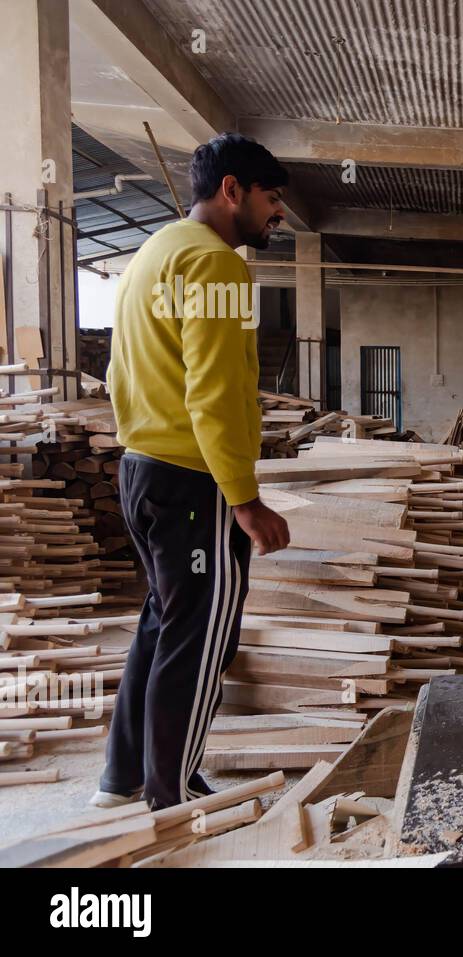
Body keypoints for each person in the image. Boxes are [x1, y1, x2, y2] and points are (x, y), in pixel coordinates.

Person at [93, 133, 292, 809]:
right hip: (191, 481)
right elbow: (214, 391)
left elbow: (121, 372)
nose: (279, 214)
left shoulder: (154, 252)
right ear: (232, 190)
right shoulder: (219, 268)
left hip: (142, 469)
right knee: (203, 631)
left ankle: (122, 777)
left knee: (164, 620)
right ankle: (173, 794)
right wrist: (243, 496)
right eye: (271, 198)